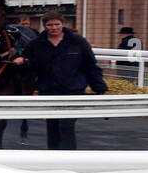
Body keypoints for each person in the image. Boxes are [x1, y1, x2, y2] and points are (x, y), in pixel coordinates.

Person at [11, 11, 107, 150]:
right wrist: (19, 62)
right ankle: (54, 158)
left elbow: (90, 65)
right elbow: (27, 63)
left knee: (66, 125)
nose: (54, 27)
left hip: (73, 90)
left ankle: (68, 159)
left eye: (57, 24)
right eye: (50, 25)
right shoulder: (36, 44)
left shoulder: (78, 41)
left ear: (63, 24)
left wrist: (99, 86)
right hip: (48, 90)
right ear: (45, 26)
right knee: (52, 126)